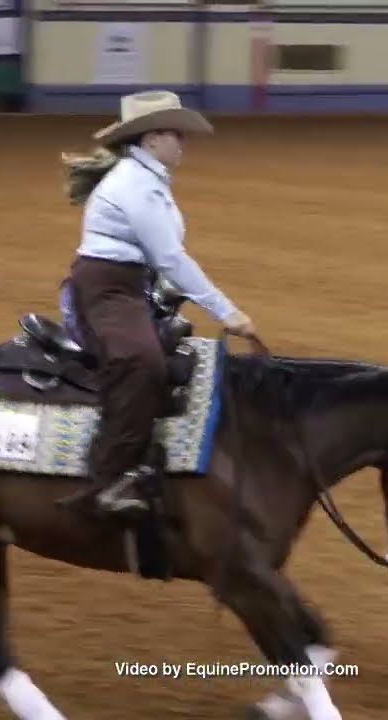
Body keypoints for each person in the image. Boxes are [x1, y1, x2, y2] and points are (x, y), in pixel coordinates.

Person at [55, 90, 258, 517]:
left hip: (127, 285)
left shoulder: (145, 179)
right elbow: (170, 258)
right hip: (107, 290)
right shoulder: (138, 185)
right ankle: (106, 483)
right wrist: (227, 312)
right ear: (151, 139)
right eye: (174, 134)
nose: (182, 142)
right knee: (142, 363)